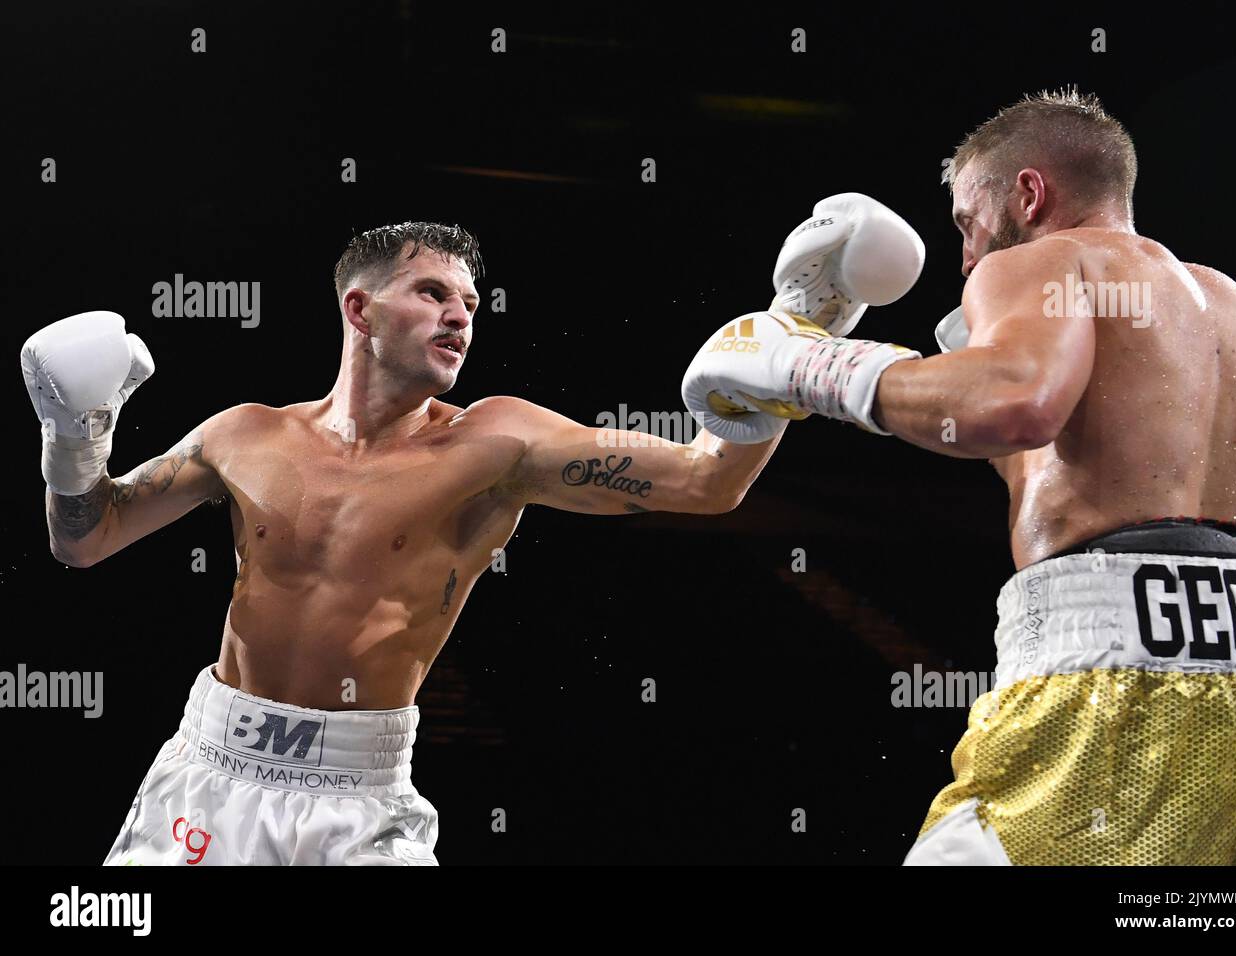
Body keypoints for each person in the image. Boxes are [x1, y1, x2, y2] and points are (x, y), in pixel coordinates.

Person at [24, 221, 805, 865]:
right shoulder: (244, 433)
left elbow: (710, 482)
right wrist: (74, 441)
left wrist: (800, 331)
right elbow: (87, 541)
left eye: (470, 301)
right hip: (209, 770)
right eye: (432, 293)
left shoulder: (497, 442)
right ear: (359, 311)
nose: (461, 315)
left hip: (358, 799)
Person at [681, 88, 1236, 865]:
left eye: (967, 227)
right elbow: (1081, 476)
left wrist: (799, 361)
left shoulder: (1044, 260)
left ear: (1029, 193)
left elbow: (1013, 405)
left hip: (1107, 699)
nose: (968, 258)